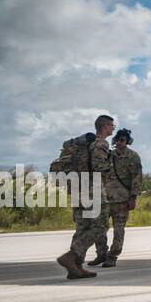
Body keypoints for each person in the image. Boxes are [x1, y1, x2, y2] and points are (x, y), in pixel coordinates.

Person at [53, 114, 114, 280]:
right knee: (100, 226)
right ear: (105, 126)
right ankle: (72, 256)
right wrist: (111, 166)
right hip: (93, 188)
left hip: (77, 188)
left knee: (83, 227)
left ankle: (76, 267)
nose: (113, 129)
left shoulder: (83, 145)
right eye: (111, 126)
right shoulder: (100, 143)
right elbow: (98, 166)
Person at [89, 128, 143, 267]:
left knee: (119, 230)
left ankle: (112, 256)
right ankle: (101, 254)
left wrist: (133, 198)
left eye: (123, 140)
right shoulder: (109, 155)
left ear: (128, 141)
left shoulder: (133, 156)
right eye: (117, 140)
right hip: (106, 198)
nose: (119, 142)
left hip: (123, 199)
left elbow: (137, 177)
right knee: (99, 227)